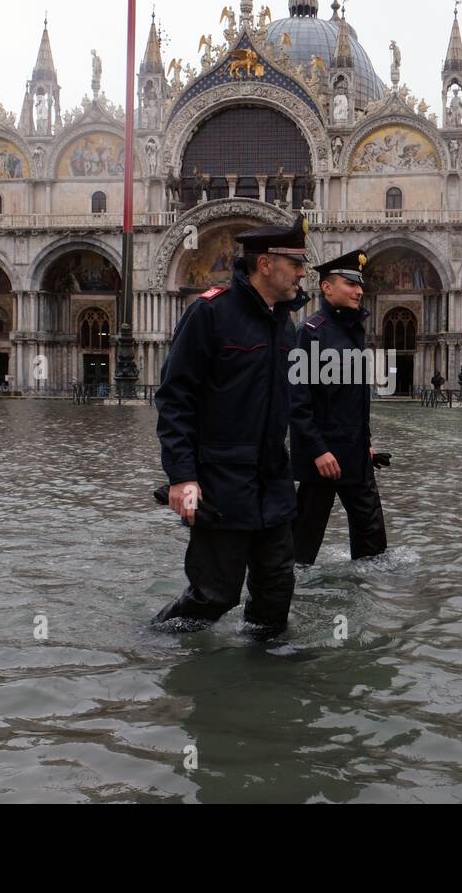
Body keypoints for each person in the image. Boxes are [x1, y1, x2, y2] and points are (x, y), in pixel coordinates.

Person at [152, 214, 309, 638]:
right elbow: (174, 398)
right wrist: (182, 477)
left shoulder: (285, 324)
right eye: (296, 263)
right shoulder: (209, 313)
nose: (302, 272)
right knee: (214, 595)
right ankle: (154, 645)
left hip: (273, 483)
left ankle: (265, 675)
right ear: (265, 264)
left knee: (275, 594)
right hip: (221, 483)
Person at [290, 248, 389, 566]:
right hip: (322, 459)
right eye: (350, 283)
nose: (359, 290)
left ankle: (368, 602)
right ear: (327, 287)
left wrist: (367, 442)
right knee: (302, 545)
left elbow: (355, 398)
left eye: (360, 285)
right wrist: (318, 450)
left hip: (355, 454)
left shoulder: (354, 330)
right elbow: (298, 401)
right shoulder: (309, 333)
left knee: (373, 544)